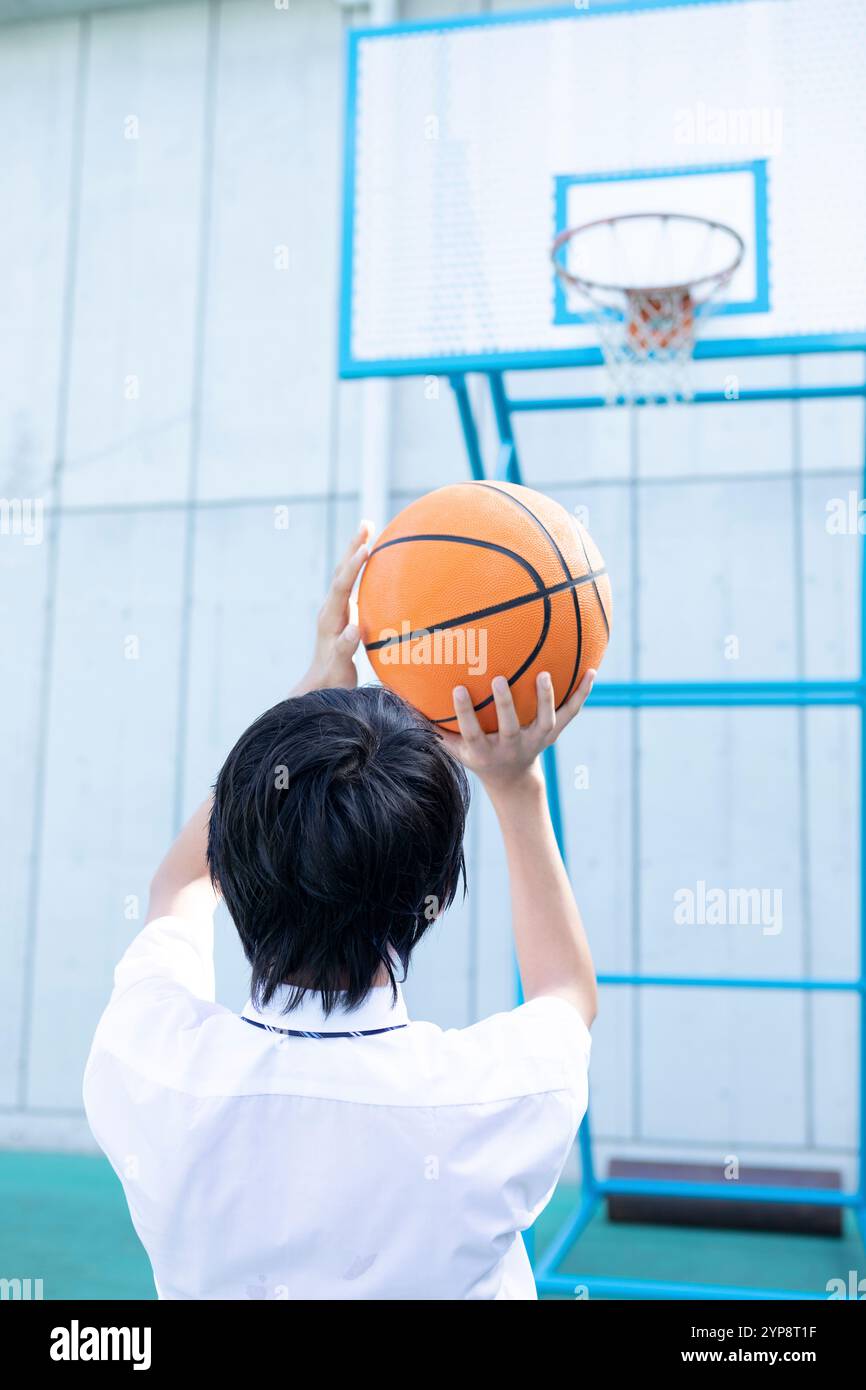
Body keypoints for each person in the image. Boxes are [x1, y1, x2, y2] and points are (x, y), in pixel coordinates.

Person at [83, 522, 598, 1300]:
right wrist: (516, 784)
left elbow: (177, 886)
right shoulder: (487, 1101)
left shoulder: (149, 1062)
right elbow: (566, 993)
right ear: (434, 891)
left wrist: (310, 697)